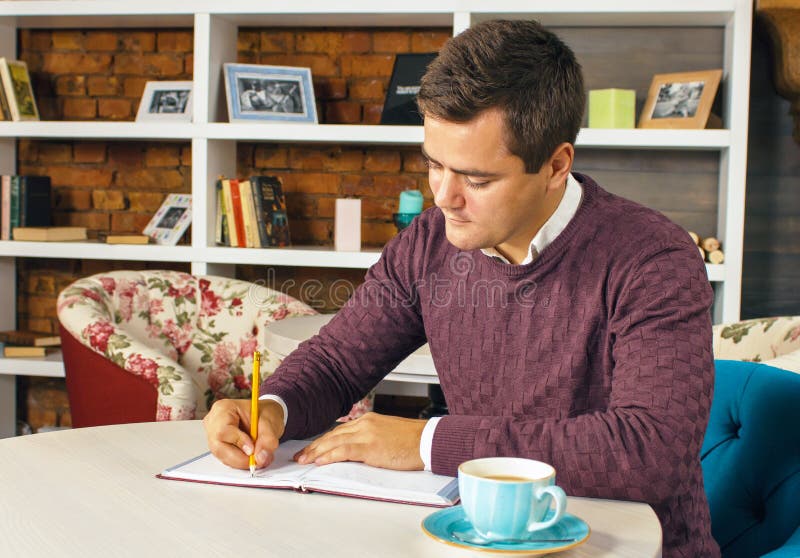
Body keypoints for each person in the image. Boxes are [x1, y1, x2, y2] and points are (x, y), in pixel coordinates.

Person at [204, 19, 718, 557]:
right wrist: (273, 408)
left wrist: (428, 441)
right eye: (434, 165)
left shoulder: (654, 259)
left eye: (476, 180)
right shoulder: (428, 243)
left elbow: (651, 450)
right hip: (479, 542)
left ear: (556, 165)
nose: (445, 197)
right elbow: (337, 362)